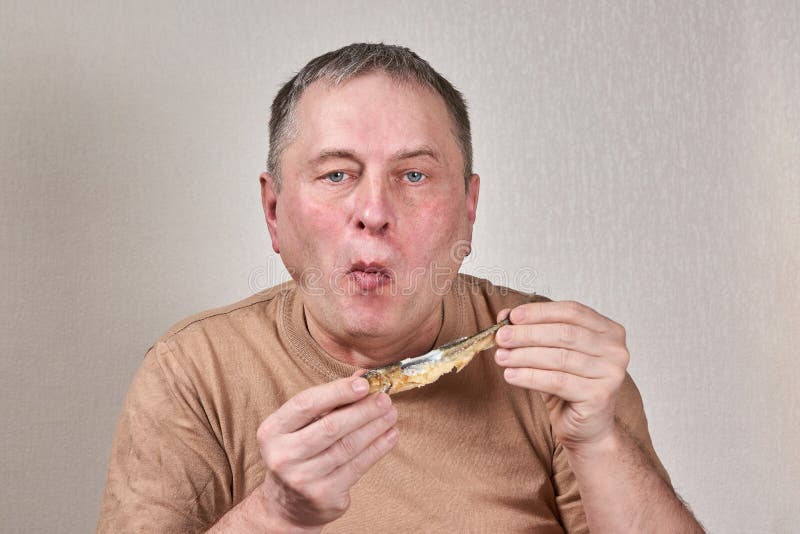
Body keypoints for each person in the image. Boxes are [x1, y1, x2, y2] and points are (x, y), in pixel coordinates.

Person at [98, 43, 703, 533]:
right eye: (337, 174)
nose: (374, 211)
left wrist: (595, 439)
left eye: (414, 175)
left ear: (469, 209)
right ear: (274, 209)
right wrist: (273, 516)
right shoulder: (192, 372)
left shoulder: (553, 359)